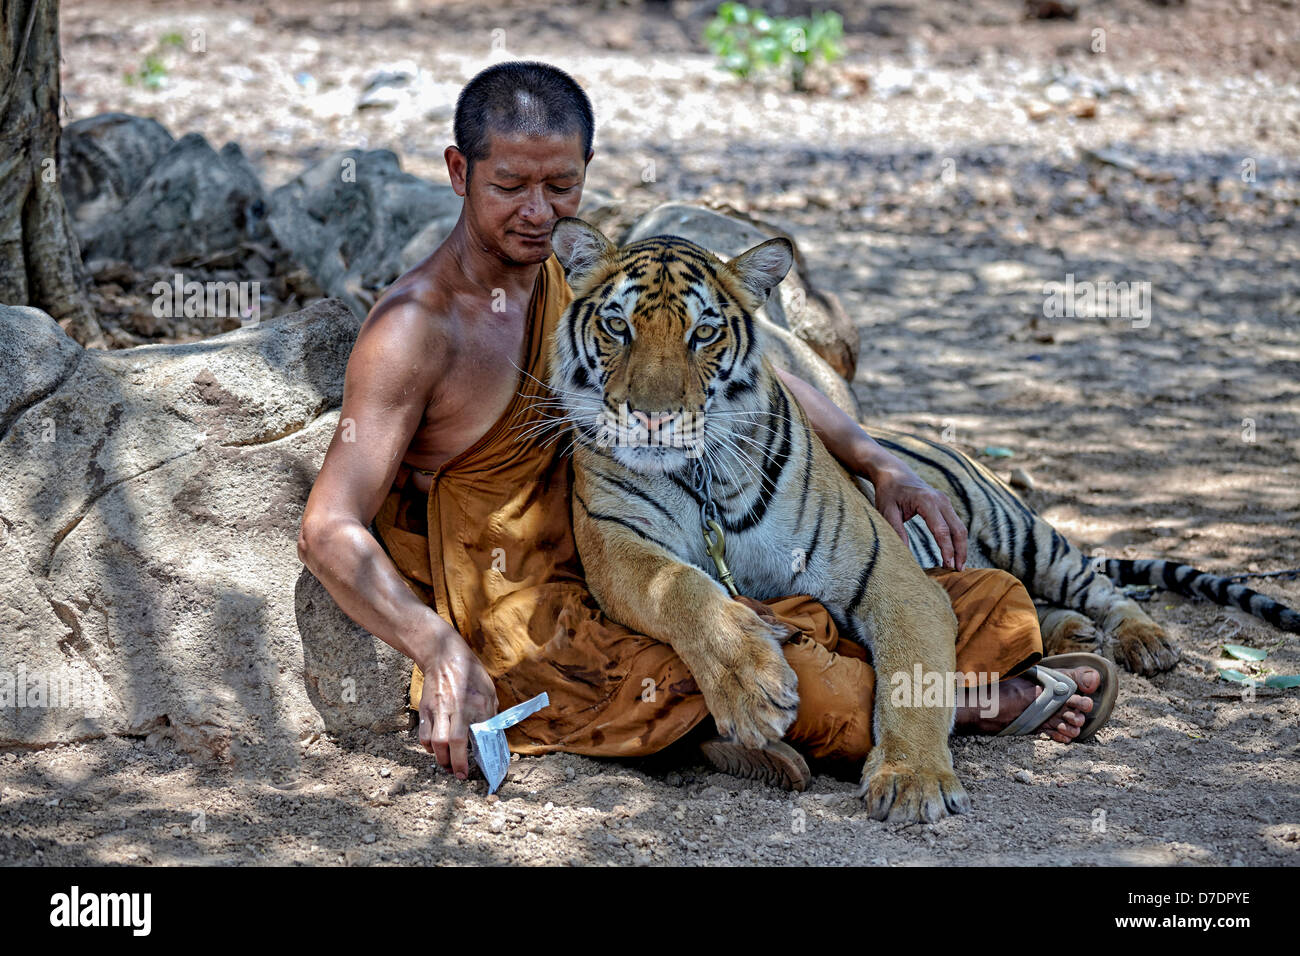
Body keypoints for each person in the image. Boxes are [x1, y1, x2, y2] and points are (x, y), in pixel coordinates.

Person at [297, 60, 1108, 791]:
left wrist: (873, 457)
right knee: (779, 679)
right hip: (536, 601)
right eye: (511, 186)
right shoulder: (415, 327)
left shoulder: (575, 270)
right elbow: (328, 527)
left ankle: (912, 684)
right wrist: (434, 646)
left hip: (641, 534)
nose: (539, 212)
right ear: (457, 171)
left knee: (974, 595)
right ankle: (968, 706)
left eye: (562, 187)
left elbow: (751, 370)